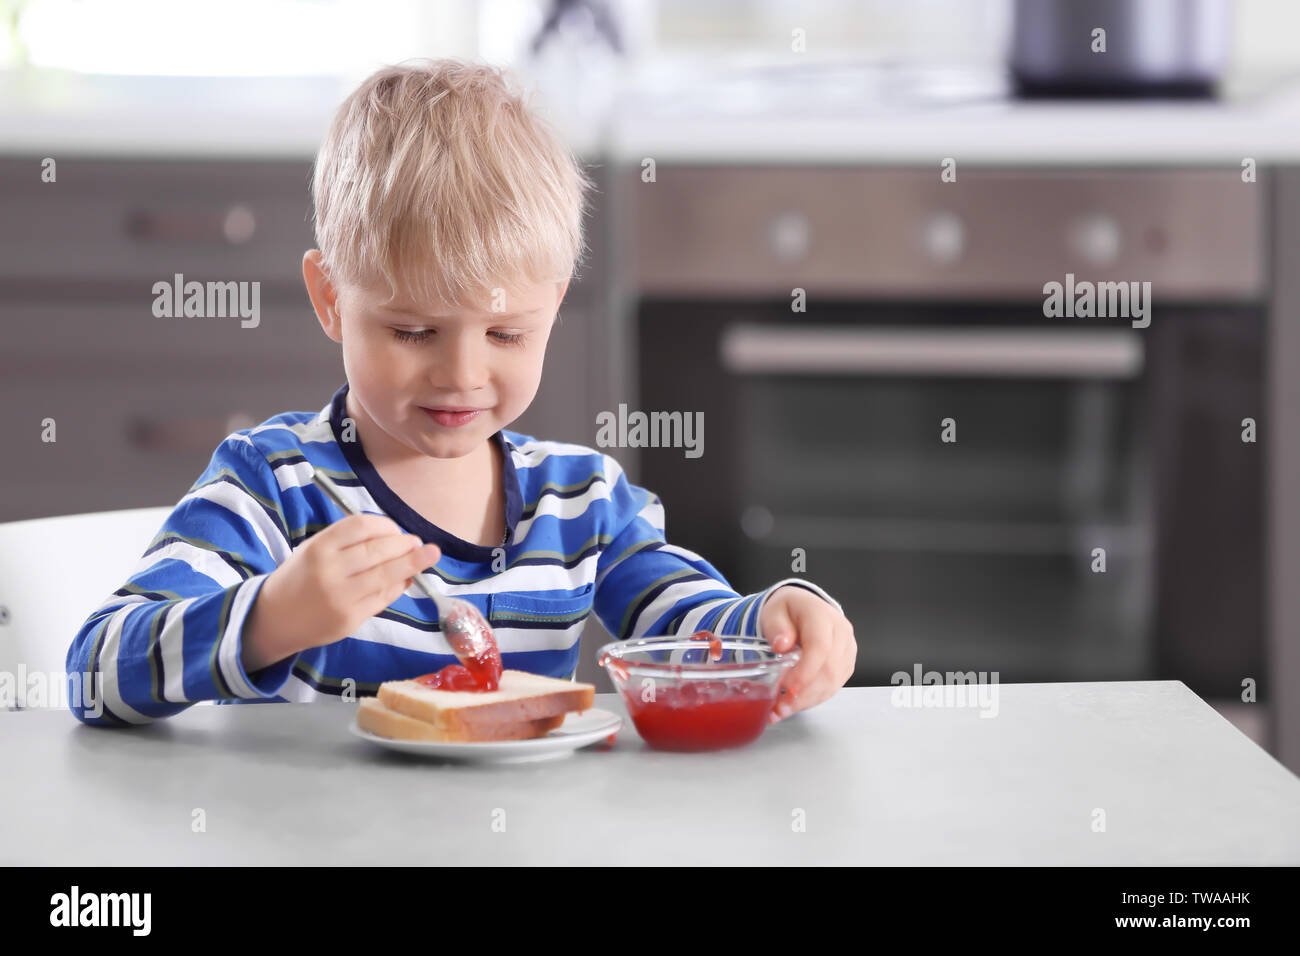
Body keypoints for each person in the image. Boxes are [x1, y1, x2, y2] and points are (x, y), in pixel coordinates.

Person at [66, 59, 856, 727]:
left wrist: (775, 622)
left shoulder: (580, 502)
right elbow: (93, 672)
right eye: (414, 332)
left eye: (506, 335)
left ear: (554, 302)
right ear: (331, 298)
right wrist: (272, 617)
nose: (462, 375)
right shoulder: (273, 488)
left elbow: (684, 629)